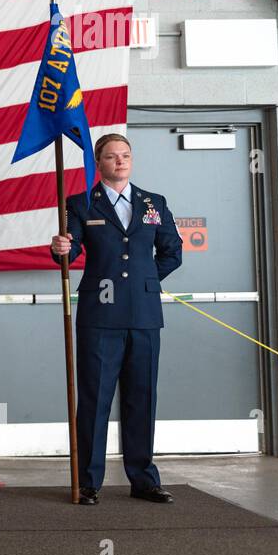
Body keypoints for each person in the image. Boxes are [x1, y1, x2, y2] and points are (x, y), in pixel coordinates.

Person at [51, 133, 183, 505]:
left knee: (142, 397)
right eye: (111, 157)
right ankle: (88, 482)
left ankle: (143, 479)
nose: (120, 162)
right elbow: (71, 247)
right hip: (100, 316)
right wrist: (60, 247)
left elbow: (172, 252)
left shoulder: (153, 203)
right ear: (99, 163)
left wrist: (144, 282)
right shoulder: (80, 204)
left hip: (143, 315)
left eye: (125, 155)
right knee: (94, 398)